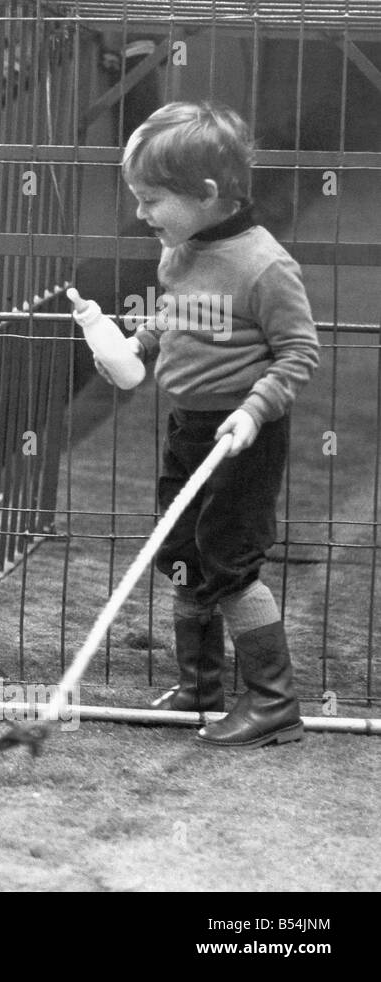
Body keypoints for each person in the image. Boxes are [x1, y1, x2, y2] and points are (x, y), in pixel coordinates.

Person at [82, 101, 320, 748]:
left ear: (208, 194)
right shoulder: (181, 251)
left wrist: (254, 409)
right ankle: (199, 688)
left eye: (152, 198)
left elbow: (299, 353)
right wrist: (138, 342)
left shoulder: (265, 266)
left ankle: (275, 704)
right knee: (184, 552)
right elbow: (177, 313)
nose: (141, 212)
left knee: (230, 563)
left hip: (242, 437)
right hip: (189, 429)